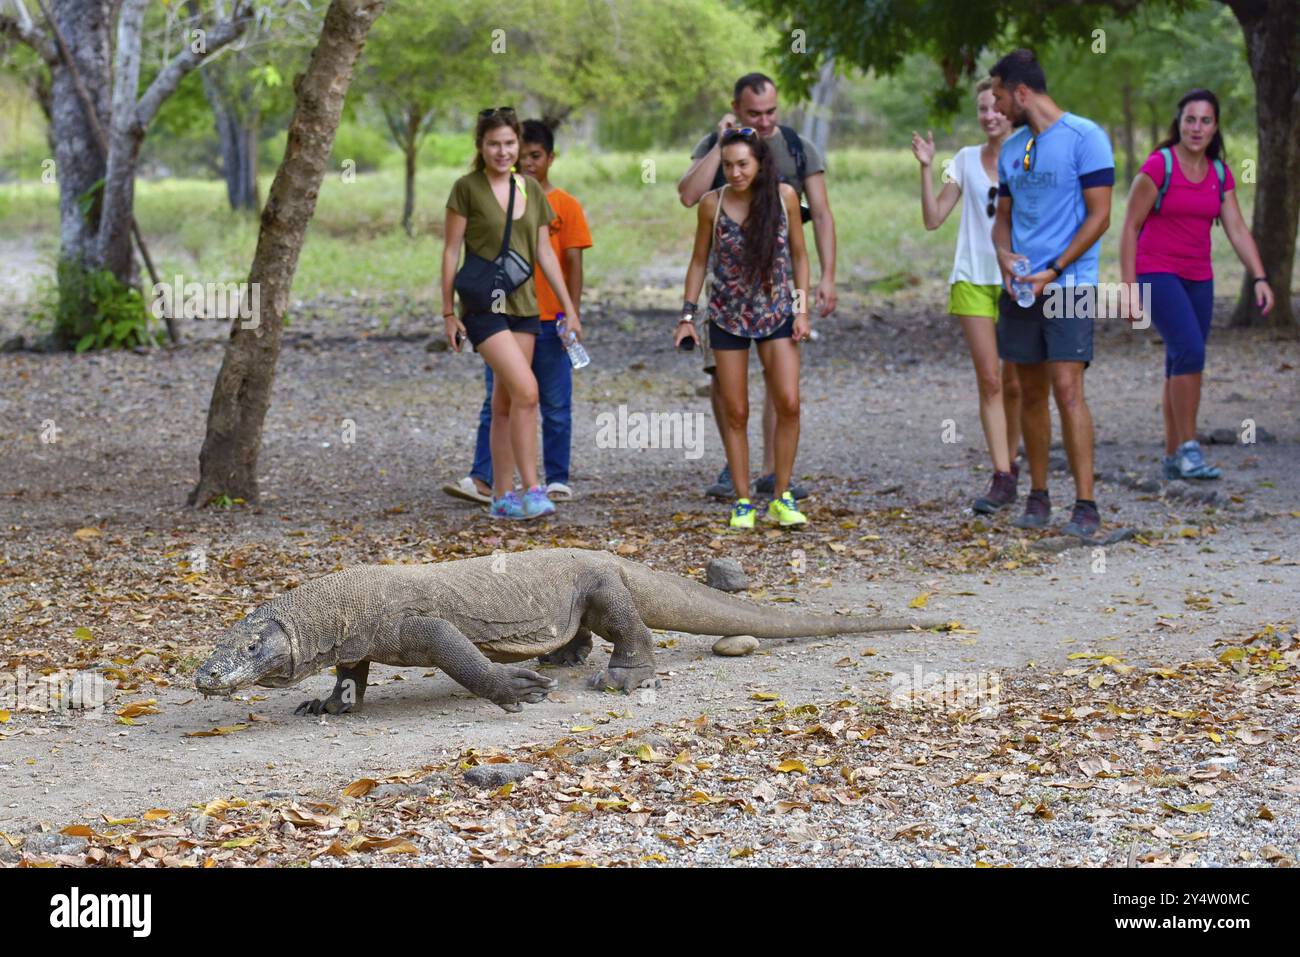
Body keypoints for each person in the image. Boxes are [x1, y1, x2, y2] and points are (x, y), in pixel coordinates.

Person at [678, 72, 836, 502]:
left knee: (784, 393)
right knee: (731, 397)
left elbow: (817, 221)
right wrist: (722, 143)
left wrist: (817, 289)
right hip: (726, 304)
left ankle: (772, 474)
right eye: (754, 114)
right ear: (736, 108)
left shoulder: (796, 158)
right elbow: (689, 196)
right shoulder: (718, 164)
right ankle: (740, 474)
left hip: (777, 304)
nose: (764, 122)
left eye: (771, 113)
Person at [989, 49, 1114, 540]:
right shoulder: (1012, 149)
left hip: (1070, 284)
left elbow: (1100, 216)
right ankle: (1037, 495)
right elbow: (1002, 219)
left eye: (1000, 96)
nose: (996, 107)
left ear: (1022, 91)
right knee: (1030, 393)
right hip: (1021, 290)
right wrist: (1004, 257)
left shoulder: (1087, 138)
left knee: (1068, 389)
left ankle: (1086, 505)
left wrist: (1055, 270)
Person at [1118, 89, 1274, 481]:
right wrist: (1128, 288)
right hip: (1156, 271)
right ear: (1179, 122)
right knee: (1189, 351)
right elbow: (1129, 227)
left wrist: (1259, 276)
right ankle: (1190, 449)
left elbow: (1236, 229)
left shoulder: (1219, 174)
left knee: (1180, 359)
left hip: (1199, 276)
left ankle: (1173, 454)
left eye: (1205, 121)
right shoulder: (1159, 166)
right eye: (1190, 119)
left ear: (1215, 126)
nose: (1197, 127)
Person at [440, 108, 581, 520]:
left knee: (505, 402)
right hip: (484, 308)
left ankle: (502, 497)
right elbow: (450, 250)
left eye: (509, 143)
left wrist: (569, 309)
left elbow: (543, 253)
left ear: (518, 145)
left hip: (525, 308)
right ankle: (533, 488)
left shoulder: (530, 190)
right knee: (528, 391)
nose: (502, 151)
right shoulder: (466, 188)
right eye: (493, 144)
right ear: (480, 146)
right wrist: (448, 313)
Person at [675, 129, 811, 530]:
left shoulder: (784, 198)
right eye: (728, 165)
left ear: (760, 164)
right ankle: (743, 501)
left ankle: (782, 496)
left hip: (777, 313)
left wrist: (801, 311)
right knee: (736, 410)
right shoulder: (711, 205)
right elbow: (699, 261)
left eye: (743, 164)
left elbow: (801, 257)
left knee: (788, 401)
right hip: (726, 316)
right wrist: (686, 315)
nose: (735, 172)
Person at [911, 78, 1024, 514]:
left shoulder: (1030, 157)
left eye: (997, 107)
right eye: (982, 109)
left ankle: (1012, 463)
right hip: (973, 279)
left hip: (1017, 279)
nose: (990, 115)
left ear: (1012, 110)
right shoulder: (962, 160)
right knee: (991, 380)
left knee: (1016, 383)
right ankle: (1001, 473)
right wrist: (925, 166)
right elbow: (933, 218)